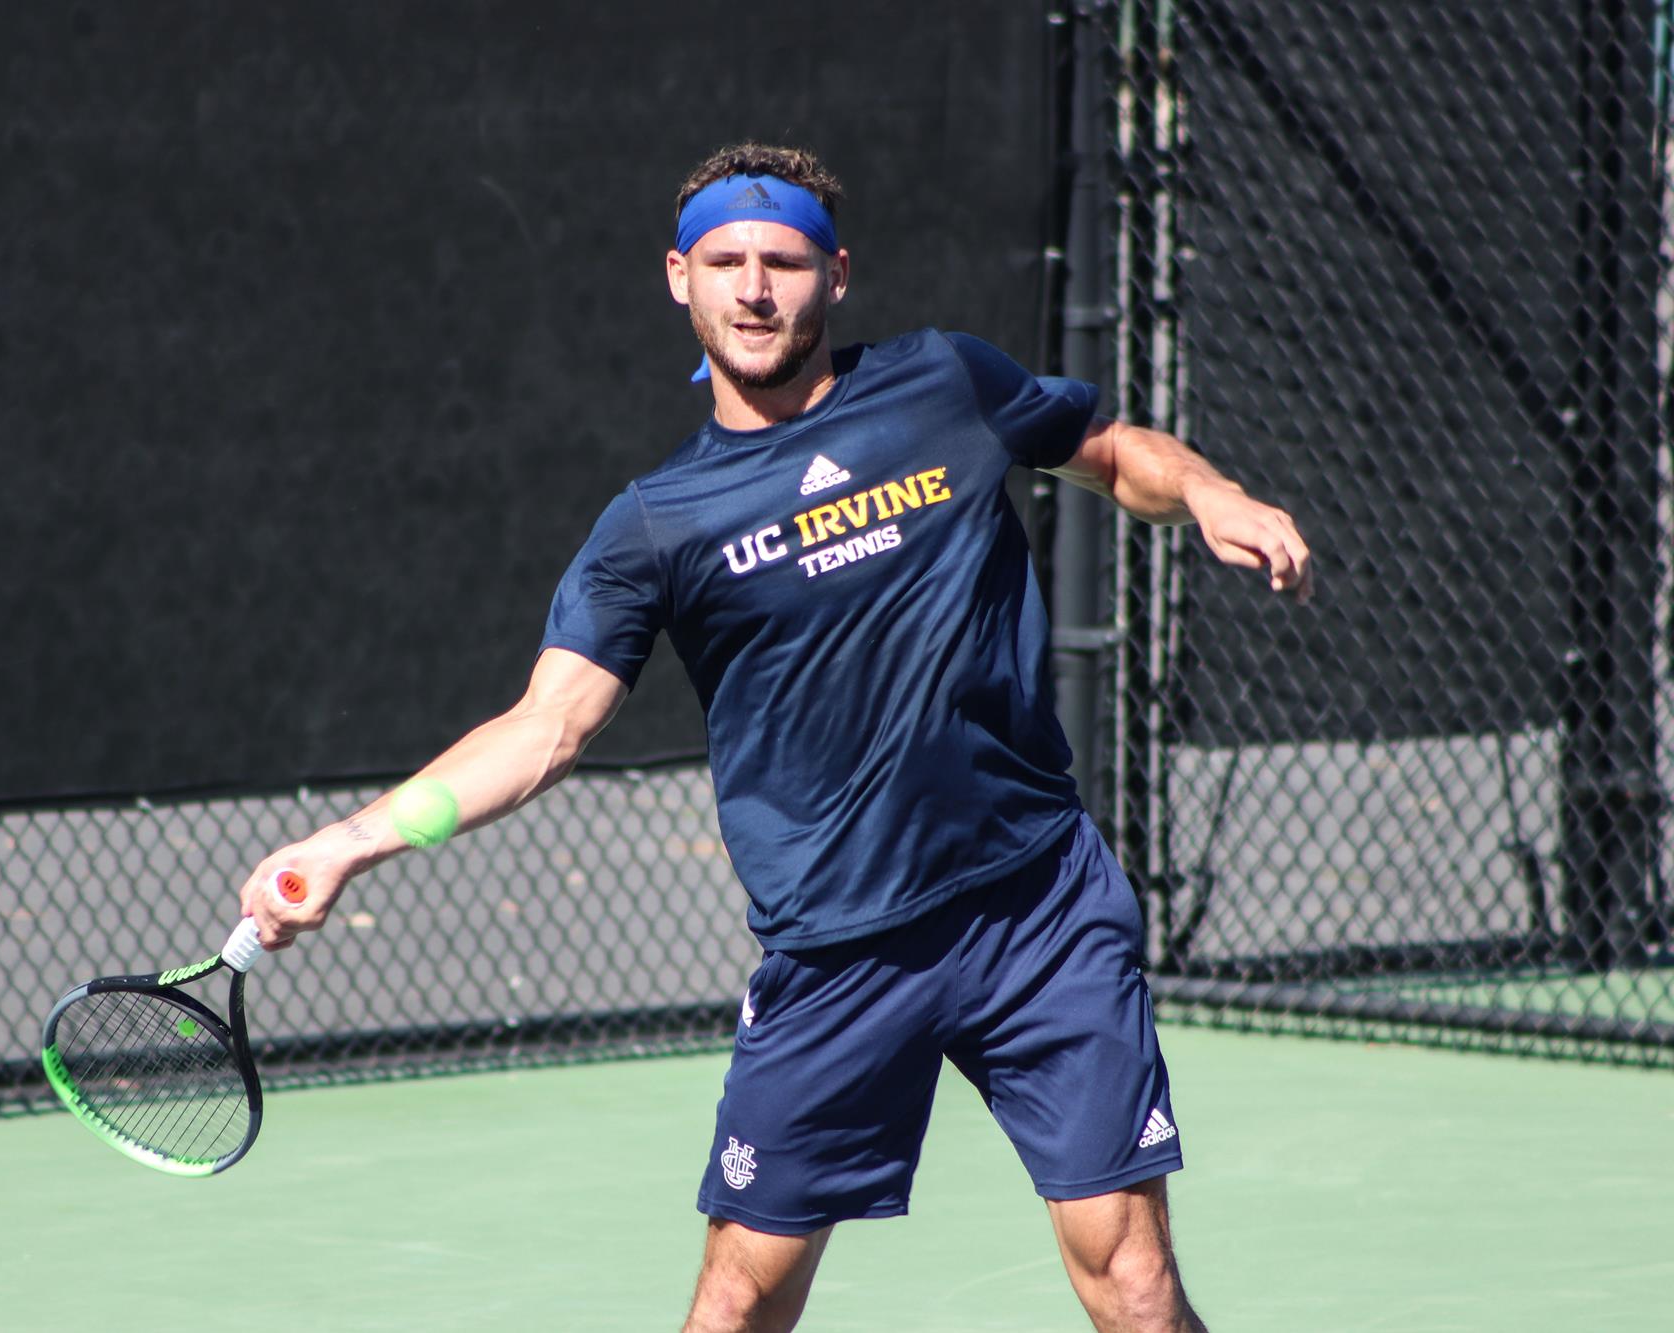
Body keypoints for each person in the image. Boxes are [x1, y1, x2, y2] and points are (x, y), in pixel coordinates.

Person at [238, 142, 1310, 1333]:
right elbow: (546, 729)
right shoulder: (654, 526)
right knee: (737, 1303)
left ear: (834, 275)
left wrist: (1207, 492)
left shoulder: (945, 382)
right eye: (725, 261)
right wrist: (349, 842)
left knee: (1136, 1287)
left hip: (1037, 910)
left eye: (783, 261)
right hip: (837, 957)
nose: (754, 288)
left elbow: (1107, 452)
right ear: (677, 278)